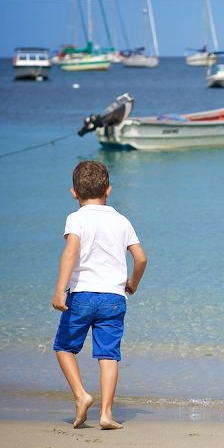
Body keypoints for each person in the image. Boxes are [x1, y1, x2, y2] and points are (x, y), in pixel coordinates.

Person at [51, 160, 147, 430]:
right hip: (113, 298)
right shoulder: (121, 220)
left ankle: (81, 395)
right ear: (109, 189)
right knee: (109, 355)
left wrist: (59, 289)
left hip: (82, 295)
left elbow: (70, 252)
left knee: (64, 347)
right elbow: (141, 258)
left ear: (73, 192)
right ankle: (106, 414)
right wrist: (133, 283)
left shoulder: (76, 218)